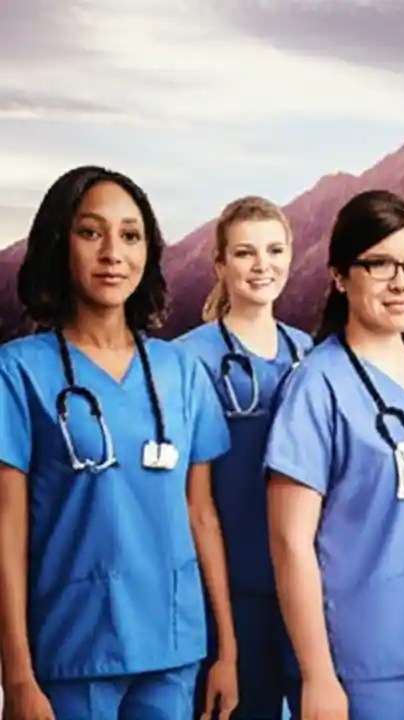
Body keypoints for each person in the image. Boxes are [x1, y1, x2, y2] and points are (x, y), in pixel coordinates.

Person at [0, 166, 236, 719]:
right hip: (72, 649)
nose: (113, 252)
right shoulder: (17, 374)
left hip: (174, 647)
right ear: (61, 244)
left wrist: (227, 647)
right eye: (91, 232)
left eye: (130, 235)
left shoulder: (180, 372)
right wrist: (15, 673)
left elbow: (201, 514)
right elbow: (5, 527)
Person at [264, 189, 404, 720]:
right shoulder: (317, 386)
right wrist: (317, 675)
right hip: (362, 659)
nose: (401, 281)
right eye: (379, 264)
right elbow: (289, 541)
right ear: (340, 276)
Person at [176, 195, 312, 719]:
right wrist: (225, 641)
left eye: (274, 250)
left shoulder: (310, 355)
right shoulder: (190, 360)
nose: (262, 265)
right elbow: (196, 504)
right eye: (245, 253)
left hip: (304, 590)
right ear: (220, 264)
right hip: (230, 595)